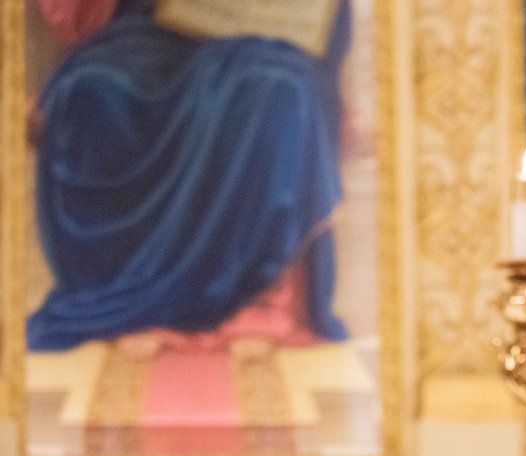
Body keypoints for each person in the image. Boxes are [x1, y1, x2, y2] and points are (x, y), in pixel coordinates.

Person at [26, 0, 351, 352]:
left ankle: (253, 303)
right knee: (94, 87)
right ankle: (124, 296)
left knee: (277, 91)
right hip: (153, 35)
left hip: (265, 36)